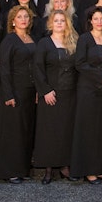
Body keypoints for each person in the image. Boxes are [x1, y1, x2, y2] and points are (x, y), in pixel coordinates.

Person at [0, 5, 37, 183]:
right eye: (19, 17)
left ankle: (22, 168)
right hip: (14, 90)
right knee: (12, 131)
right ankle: (8, 170)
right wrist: (8, 94)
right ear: (13, 21)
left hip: (29, 90)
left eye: (26, 16)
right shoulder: (9, 40)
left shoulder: (32, 38)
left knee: (25, 130)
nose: (23, 19)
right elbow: (4, 69)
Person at [32, 10, 78, 184]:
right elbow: (37, 68)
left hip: (70, 93)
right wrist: (45, 91)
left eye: (62, 21)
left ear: (67, 23)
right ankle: (49, 169)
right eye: (56, 21)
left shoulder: (73, 42)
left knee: (66, 130)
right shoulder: (44, 43)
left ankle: (65, 165)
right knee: (49, 131)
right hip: (50, 94)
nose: (59, 23)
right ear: (51, 23)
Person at [69, 6, 102, 184]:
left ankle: (98, 168)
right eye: (96, 19)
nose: (99, 22)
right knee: (87, 130)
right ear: (90, 21)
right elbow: (79, 63)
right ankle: (87, 170)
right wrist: (100, 76)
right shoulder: (85, 39)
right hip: (88, 90)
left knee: (101, 130)